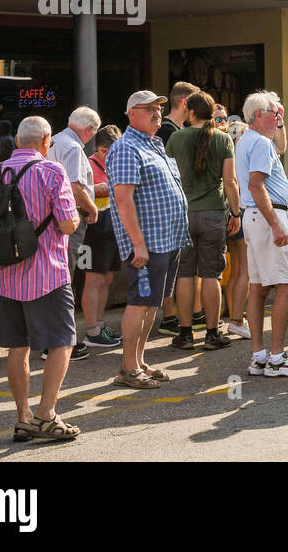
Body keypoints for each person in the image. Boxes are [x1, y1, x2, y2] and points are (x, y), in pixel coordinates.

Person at [0, 116, 82, 441]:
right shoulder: (51, 171)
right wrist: (78, 217)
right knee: (62, 342)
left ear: (19, 141)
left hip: (5, 275)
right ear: (45, 141)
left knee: (16, 347)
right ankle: (46, 414)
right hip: (46, 273)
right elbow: (66, 224)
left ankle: (23, 417)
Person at [107, 91, 189, 389]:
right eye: (149, 109)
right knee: (140, 303)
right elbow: (123, 199)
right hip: (147, 243)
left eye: (159, 109)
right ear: (132, 114)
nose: (157, 113)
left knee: (152, 303)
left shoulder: (153, 144)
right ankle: (127, 368)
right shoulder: (127, 147)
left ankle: (139, 361)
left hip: (166, 240)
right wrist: (137, 244)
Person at [236, 90, 288, 377]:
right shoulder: (259, 144)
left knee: (258, 286)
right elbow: (257, 185)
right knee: (285, 286)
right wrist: (276, 225)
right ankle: (277, 357)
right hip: (268, 215)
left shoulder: (248, 140)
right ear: (258, 115)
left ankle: (260, 355)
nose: (278, 117)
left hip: (254, 216)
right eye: (274, 113)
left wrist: (279, 119)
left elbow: (279, 148)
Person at [167, 91, 240, 351]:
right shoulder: (222, 139)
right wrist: (236, 212)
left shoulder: (176, 138)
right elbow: (230, 181)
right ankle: (212, 333)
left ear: (191, 112)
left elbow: (169, 179)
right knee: (211, 275)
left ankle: (185, 334)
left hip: (183, 214)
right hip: (213, 213)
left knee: (184, 275)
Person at [48, 106, 100, 361]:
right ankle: (60, 341)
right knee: (64, 278)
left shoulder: (53, 140)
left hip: (49, 219)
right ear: (90, 130)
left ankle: (52, 338)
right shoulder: (74, 147)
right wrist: (92, 209)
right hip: (68, 219)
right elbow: (75, 187)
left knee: (54, 277)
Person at [154, 81, 200, 336]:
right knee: (174, 265)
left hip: (183, 205)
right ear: (185, 103)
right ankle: (169, 317)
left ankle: (179, 315)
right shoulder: (168, 132)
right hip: (170, 207)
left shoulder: (177, 130)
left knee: (179, 265)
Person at [80, 125, 123, 348]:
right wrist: (100, 188)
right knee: (93, 280)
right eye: (105, 151)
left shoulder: (120, 163)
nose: (110, 155)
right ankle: (92, 330)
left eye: (114, 151)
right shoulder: (87, 163)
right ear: (98, 148)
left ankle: (99, 324)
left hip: (114, 227)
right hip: (94, 229)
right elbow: (78, 191)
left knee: (107, 279)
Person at [223, 121, 250, 338]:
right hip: (240, 214)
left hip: (226, 214)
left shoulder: (226, 154)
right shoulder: (243, 157)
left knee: (235, 270)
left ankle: (234, 313)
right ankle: (237, 318)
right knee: (244, 270)